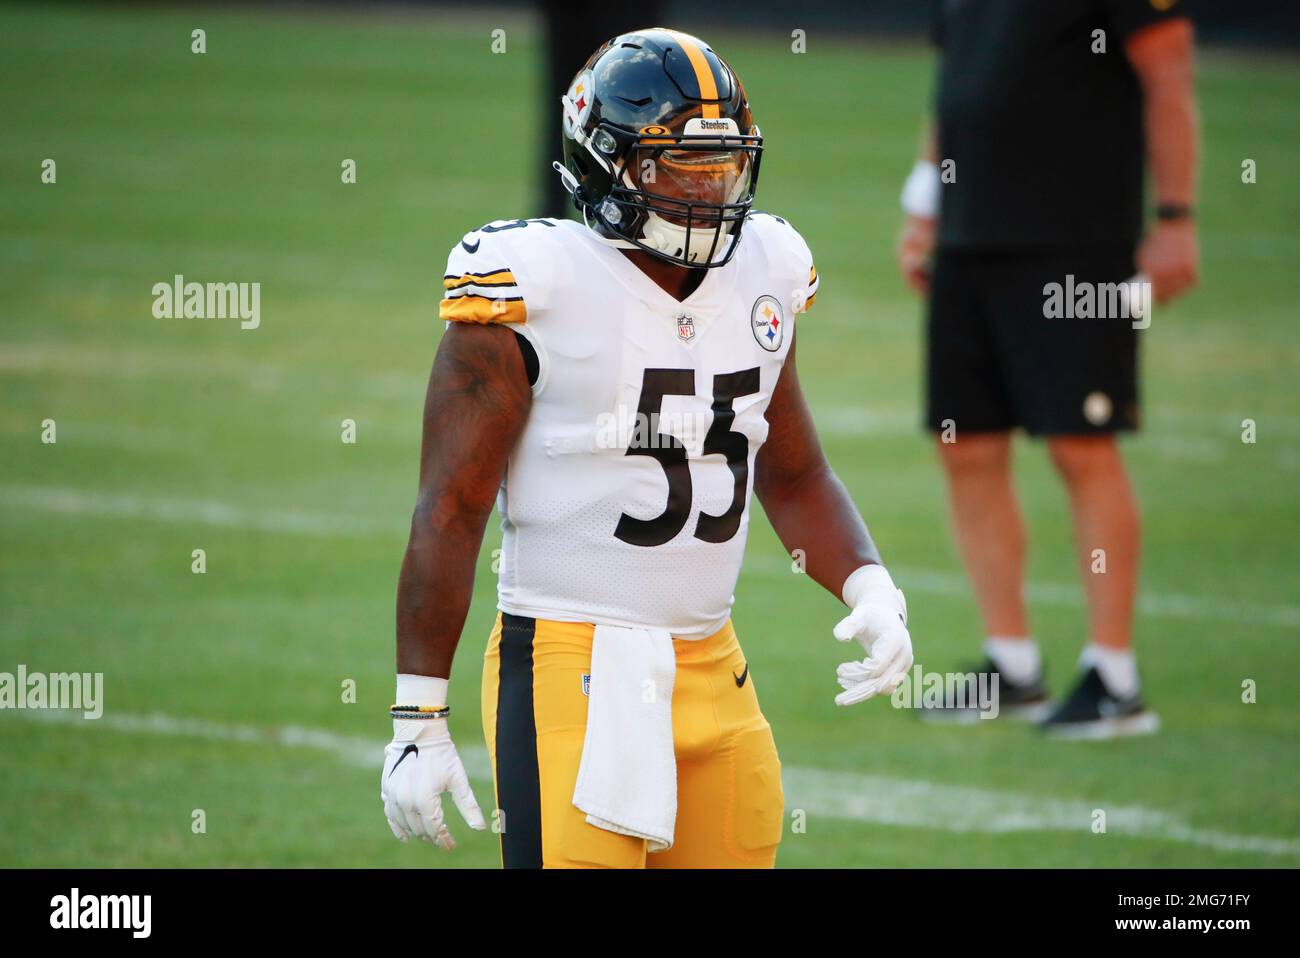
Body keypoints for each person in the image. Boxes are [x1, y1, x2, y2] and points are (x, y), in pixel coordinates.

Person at [382, 28, 914, 868]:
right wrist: (418, 712)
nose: (709, 190)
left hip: (715, 665)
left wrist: (870, 583)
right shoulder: (536, 283)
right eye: (679, 166)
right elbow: (450, 509)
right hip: (568, 661)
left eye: (723, 164)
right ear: (608, 165)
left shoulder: (766, 269)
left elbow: (793, 467)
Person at [897, 0, 1199, 737]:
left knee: (1080, 442)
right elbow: (956, 84)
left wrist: (1176, 218)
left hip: (1075, 242)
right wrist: (925, 203)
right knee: (964, 442)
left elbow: (1169, 73)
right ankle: (1012, 664)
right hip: (971, 237)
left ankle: (1114, 676)